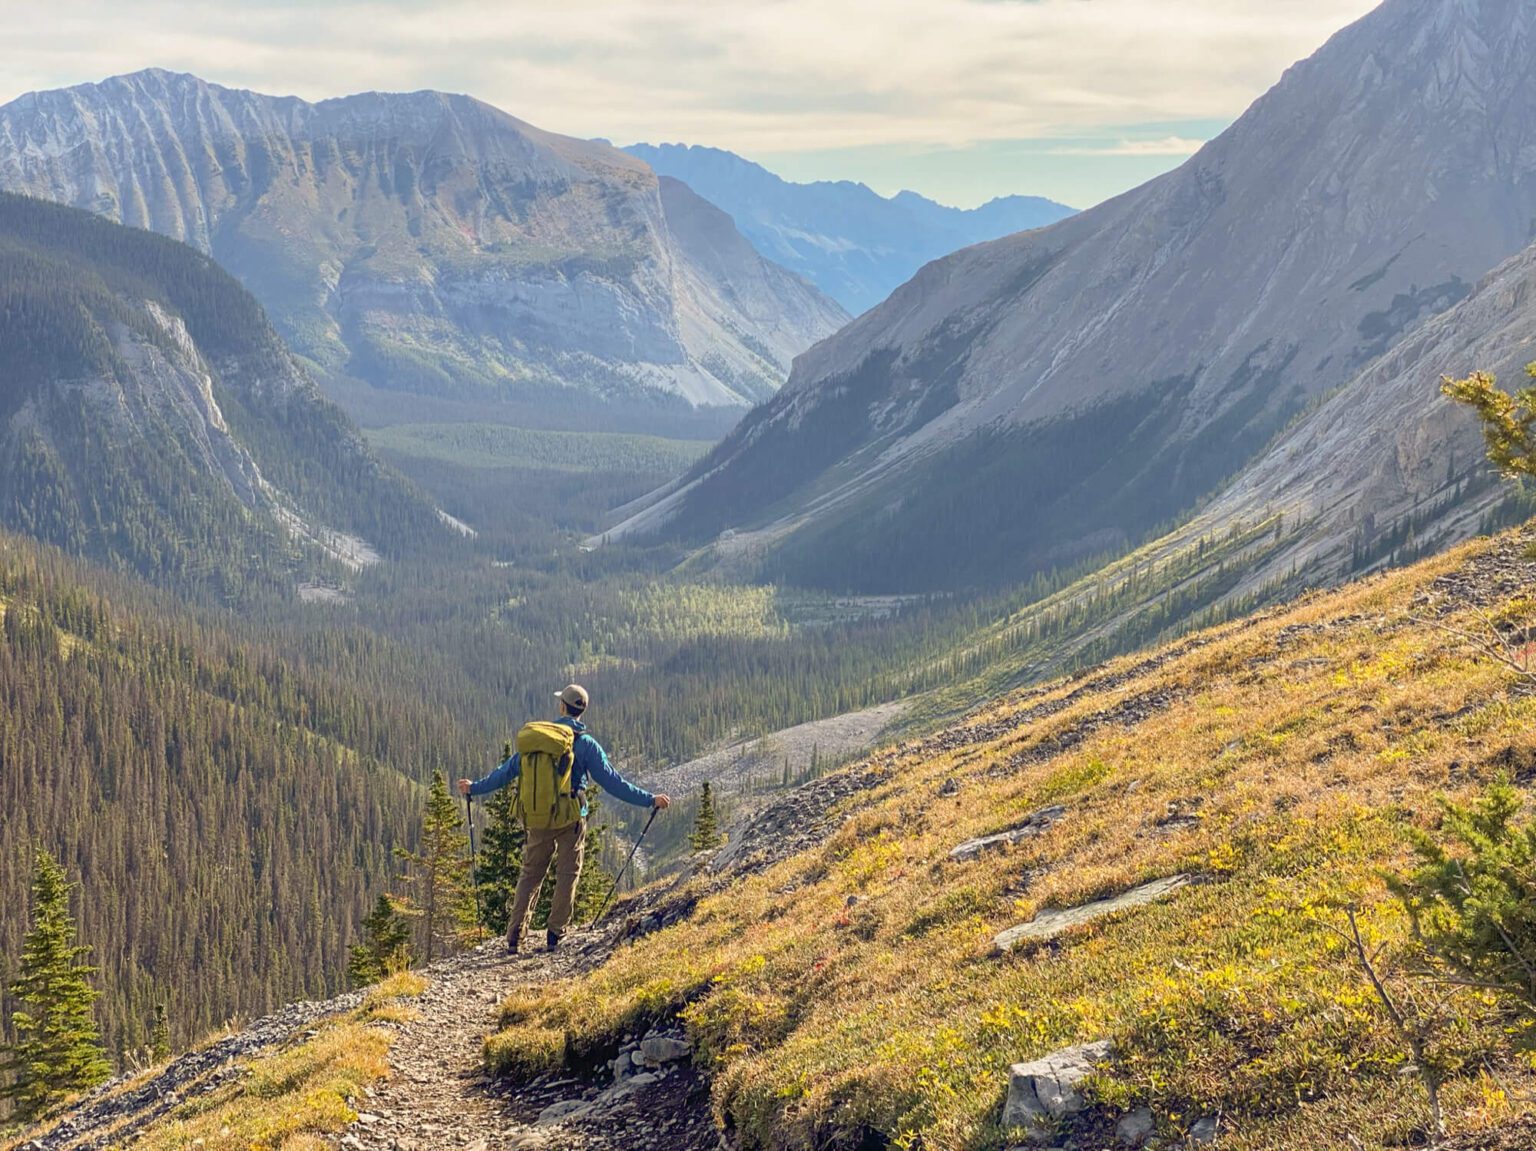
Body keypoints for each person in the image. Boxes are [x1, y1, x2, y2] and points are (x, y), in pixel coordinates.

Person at [459, 684, 669, 953]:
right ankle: (555, 934)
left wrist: (474, 788)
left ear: (562, 707)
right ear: (582, 711)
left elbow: (505, 772)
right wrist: (649, 799)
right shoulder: (586, 744)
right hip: (571, 819)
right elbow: (613, 782)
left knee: (530, 875)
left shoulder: (537, 740)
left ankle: (514, 935)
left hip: (536, 818)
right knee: (567, 874)